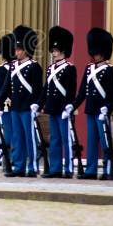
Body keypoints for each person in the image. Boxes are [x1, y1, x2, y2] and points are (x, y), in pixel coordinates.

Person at [0, 25, 43, 177]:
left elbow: (37, 89)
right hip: (15, 107)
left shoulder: (34, 67)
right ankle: (19, 166)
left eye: (19, 49)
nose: (16, 52)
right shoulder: (13, 66)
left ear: (26, 50)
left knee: (29, 138)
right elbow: (6, 87)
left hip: (28, 107)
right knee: (17, 138)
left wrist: (37, 105)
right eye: (16, 49)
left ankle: (32, 167)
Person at [70, 28, 113, 180]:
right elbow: (82, 91)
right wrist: (73, 105)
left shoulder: (110, 70)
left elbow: (112, 94)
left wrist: (108, 108)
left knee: (105, 141)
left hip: (102, 111)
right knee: (91, 142)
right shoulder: (89, 69)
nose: (96, 55)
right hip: (90, 110)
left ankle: (108, 168)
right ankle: (90, 170)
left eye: (98, 52)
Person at [40, 26, 77, 179]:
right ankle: (55, 168)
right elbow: (46, 88)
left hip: (63, 108)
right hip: (52, 107)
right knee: (54, 139)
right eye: (53, 49)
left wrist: (69, 105)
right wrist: (40, 103)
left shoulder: (69, 68)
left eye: (56, 49)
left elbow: (71, 89)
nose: (54, 51)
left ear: (63, 50)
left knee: (65, 139)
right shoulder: (50, 69)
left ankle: (68, 168)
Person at [0, 33, 15, 167]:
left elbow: (0, 89)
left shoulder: (2, 68)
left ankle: (4, 157)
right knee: (13, 132)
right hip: (15, 104)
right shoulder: (15, 67)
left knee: (5, 132)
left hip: (4, 105)